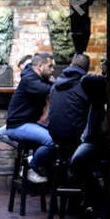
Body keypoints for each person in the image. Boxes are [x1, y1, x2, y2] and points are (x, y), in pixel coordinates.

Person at [41, 53, 93, 182]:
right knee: (98, 146)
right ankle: (83, 186)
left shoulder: (56, 83)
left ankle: (68, 177)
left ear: (71, 65)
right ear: (86, 69)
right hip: (75, 138)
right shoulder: (85, 85)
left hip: (55, 135)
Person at [3, 52, 55, 178]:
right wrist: (55, 83)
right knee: (52, 141)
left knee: (56, 136)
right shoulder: (29, 79)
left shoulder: (35, 78)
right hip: (17, 126)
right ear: (40, 66)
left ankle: (38, 170)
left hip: (26, 124)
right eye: (50, 66)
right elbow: (48, 90)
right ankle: (30, 167)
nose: (52, 70)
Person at [70, 72, 109, 219]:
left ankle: (102, 213)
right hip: (95, 141)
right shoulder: (99, 91)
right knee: (78, 160)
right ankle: (95, 202)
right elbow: (87, 80)